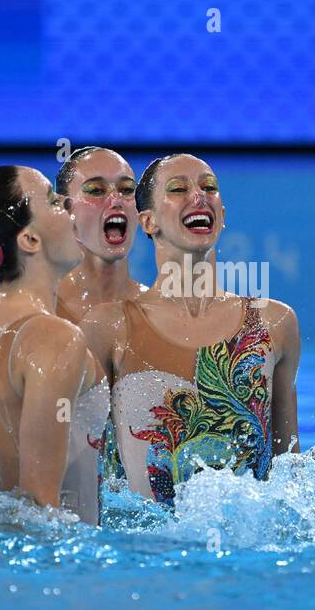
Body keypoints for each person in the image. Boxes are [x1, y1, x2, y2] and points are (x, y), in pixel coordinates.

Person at [80, 153, 301, 505]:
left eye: (209, 187)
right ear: (148, 222)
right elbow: (87, 473)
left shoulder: (274, 323)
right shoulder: (109, 329)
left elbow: (290, 475)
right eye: (178, 188)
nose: (198, 197)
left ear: (223, 216)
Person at [0, 166, 107, 524]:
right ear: (29, 241)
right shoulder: (57, 338)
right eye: (55, 202)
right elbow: (40, 511)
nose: (71, 206)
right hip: (59, 570)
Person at [54, 146, 148, 324]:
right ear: (64, 210)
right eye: (96, 190)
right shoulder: (37, 313)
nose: (116, 200)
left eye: (127, 190)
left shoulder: (157, 313)